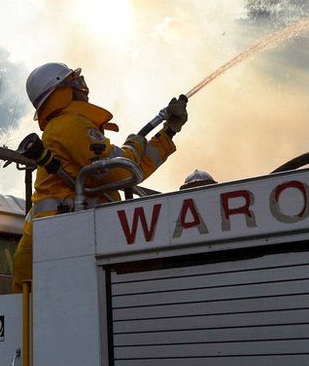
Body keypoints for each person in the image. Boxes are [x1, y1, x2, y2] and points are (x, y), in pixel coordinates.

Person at [11, 63, 187, 292]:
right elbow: (122, 170)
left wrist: (168, 131)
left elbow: (130, 173)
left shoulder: (68, 126)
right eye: (76, 82)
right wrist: (134, 144)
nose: (84, 88)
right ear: (61, 92)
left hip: (59, 243)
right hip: (60, 243)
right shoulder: (68, 125)